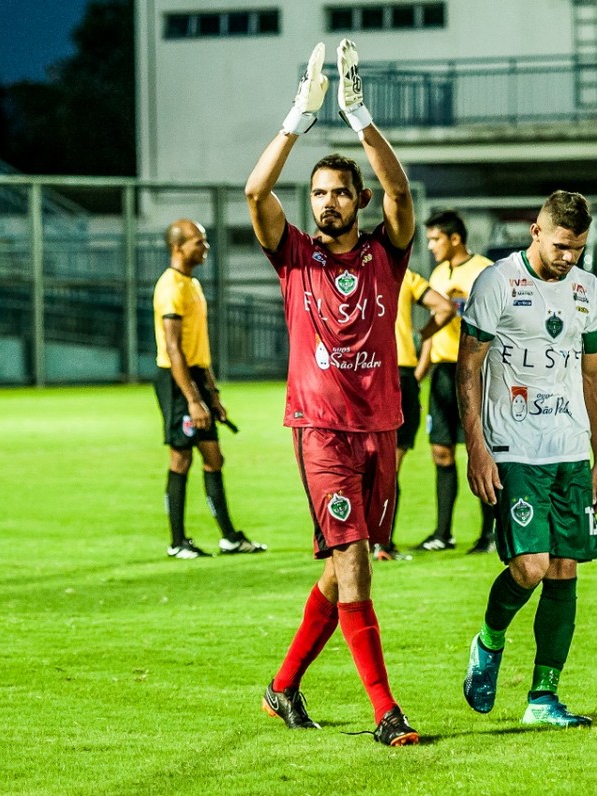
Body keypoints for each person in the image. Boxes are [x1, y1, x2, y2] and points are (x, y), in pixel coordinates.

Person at [244, 39, 419, 746]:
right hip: (319, 429)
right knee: (353, 567)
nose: (326, 202)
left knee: (340, 568)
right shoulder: (293, 255)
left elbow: (404, 194)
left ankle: (283, 687)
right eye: (318, 193)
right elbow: (257, 194)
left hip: (382, 427)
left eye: (339, 191)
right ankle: (386, 712)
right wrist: (296, 118)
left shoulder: (386, 251)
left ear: (360, 201)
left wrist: (358, 115)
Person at [456, 190, 597, 727]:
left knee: (565, 567)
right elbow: (468, 366)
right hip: (514, 447)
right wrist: (476, 446)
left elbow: (593, 374)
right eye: (563, 246)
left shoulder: (590, 291)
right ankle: (489, 640)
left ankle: (543, 697)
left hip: (569, 449)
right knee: (530, 567)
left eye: (579, 249)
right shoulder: (496, 284)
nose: (570, 258)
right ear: (536, 231)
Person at [152, 219, 267, 559]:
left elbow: (199, 349)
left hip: (197, 378)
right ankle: (177, 542)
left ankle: (229, 538)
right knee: (181, 457)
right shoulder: (170, 286)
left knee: (214, 458)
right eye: (198, 242)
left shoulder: (192, 285)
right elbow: (173, 349)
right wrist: (192, 400)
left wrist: (212, 395)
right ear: (177, 247)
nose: (205, 247)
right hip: (177, 382)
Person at [415, 210, 497, 555]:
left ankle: (490, 534)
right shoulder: (437, 272)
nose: (431, 245)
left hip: (476, 373)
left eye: (436, 239)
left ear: (455, 238)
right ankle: (442, 533)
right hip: (443, 374)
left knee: (482, 452)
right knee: (441, 452)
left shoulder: (485, 271)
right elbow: (435, 327)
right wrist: (420, 373)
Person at [373, 267, 454, 562]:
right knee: (391, 466)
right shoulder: (402, 273)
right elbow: (444, 308)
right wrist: (423, 335)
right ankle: (382, 543)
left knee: (359, 463)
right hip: (400, 373)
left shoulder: (350, 271)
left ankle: (349, 541)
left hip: (362, 370)